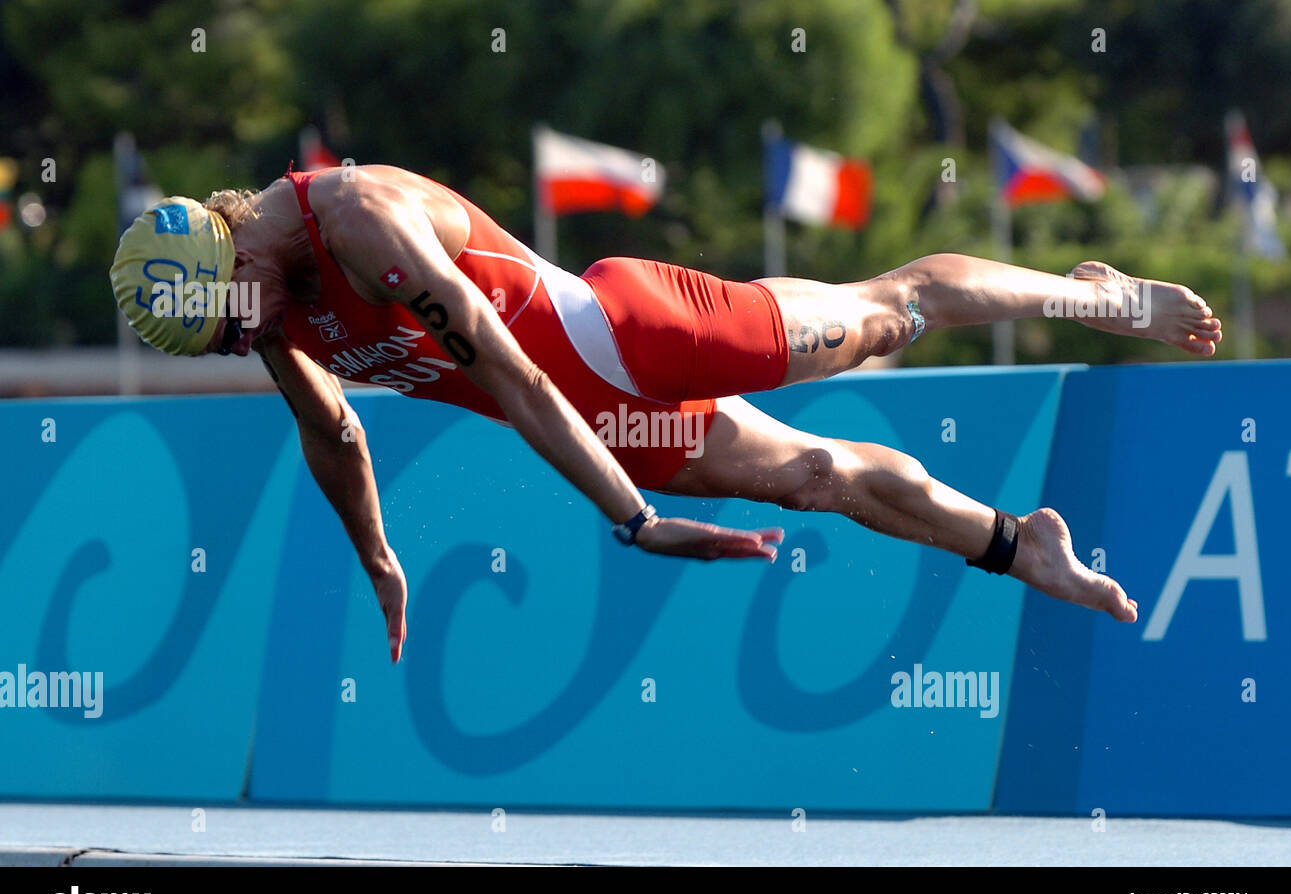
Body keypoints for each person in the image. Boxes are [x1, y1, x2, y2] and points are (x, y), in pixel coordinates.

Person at [109, 164, 1222, 662]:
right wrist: (378, 552)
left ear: (229, 251)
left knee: (890, 312)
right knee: (815, 481)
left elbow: (516, 378)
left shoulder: (358, 219)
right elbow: (332, 429)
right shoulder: (258, 306)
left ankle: (1101, 293)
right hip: (610, 430)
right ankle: (1018, 544)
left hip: (635, 338)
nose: (244, 344)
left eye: (232, 322)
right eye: (221, 344)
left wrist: (631, 517)